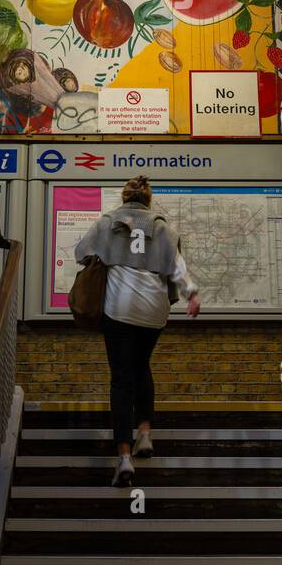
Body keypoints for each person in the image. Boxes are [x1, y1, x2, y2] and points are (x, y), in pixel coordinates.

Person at [74, 175, 200, 487]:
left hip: (120, 308)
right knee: (141, 365)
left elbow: (81, 253)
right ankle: (145, 432)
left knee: (121, 378)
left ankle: (125, 458)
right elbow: (178, 267)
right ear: (148, 200)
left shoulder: (107, 223)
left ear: (124, 198)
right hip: (154, 311)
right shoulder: (163, 228)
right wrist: (192, 294)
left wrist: (109, 256)